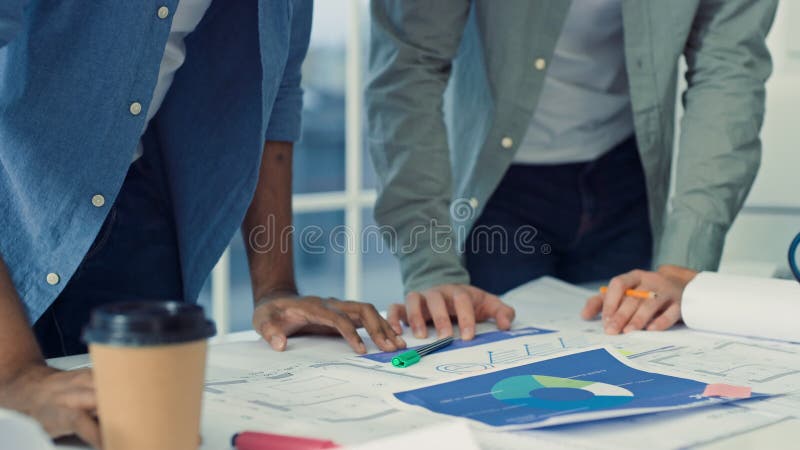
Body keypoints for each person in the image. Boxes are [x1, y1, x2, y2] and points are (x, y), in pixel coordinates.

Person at [0, 1, 404, 446]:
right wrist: (12, 372)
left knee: (141, 428)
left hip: (131, 208)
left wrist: (276, 289)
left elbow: (277, 88)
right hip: (12, 203)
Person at [367, 1, 777, 340]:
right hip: (500, 195)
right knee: (489, 375)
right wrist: (431, 264)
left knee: (636, 358)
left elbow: (729, 68)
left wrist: (682, 266)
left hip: (626, 182)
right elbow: (409, 67)